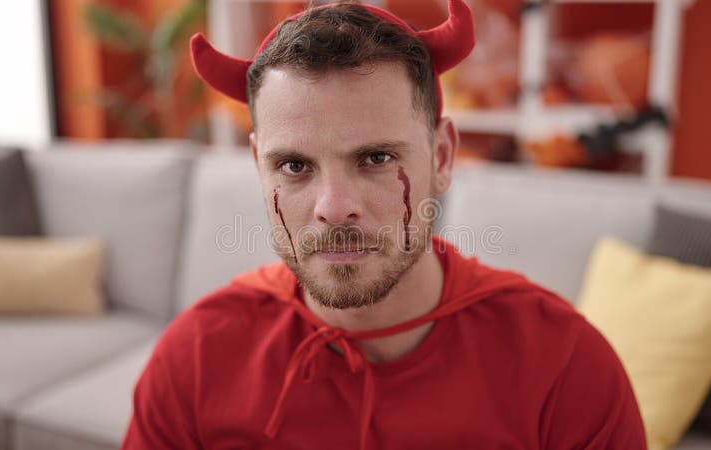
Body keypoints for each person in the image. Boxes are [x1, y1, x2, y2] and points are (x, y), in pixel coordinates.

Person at [121, 1, 647, 449]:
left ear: (441, 157)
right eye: (295, 166)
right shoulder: (194, 356)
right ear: (258, 164)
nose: (333, 207)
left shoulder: (567, 366)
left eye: (374, 158)